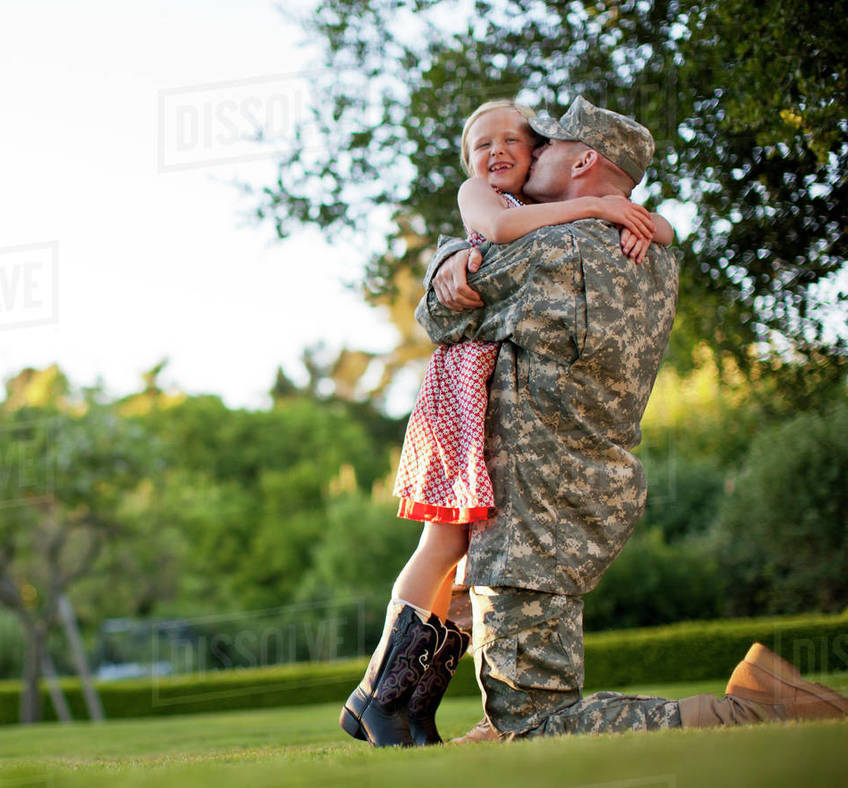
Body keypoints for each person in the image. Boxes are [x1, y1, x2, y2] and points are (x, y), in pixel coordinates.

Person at [418, 96, 848, 741]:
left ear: (583, 159)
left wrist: (449, 259)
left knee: (534, 726)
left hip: (531, 508)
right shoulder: (650, 253)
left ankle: (754, 710)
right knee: (513, 704)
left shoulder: (559, 246)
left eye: (547, 145)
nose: (531, 153)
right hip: (584, 491)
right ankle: (493, 724)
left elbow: (443, 314)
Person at [342, 98, 673, 748]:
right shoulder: (594, 236)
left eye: (528, 145)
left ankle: (396, 701)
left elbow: (446, 309)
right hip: (510, 430)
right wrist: (608, 208)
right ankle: (386, 701)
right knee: (447, 551)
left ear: (571, 159)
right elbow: (488, 233)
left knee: (456, 555)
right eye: (481, 146)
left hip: (496, 423)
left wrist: (632, 216)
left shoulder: (551, 231)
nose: (504, 155)